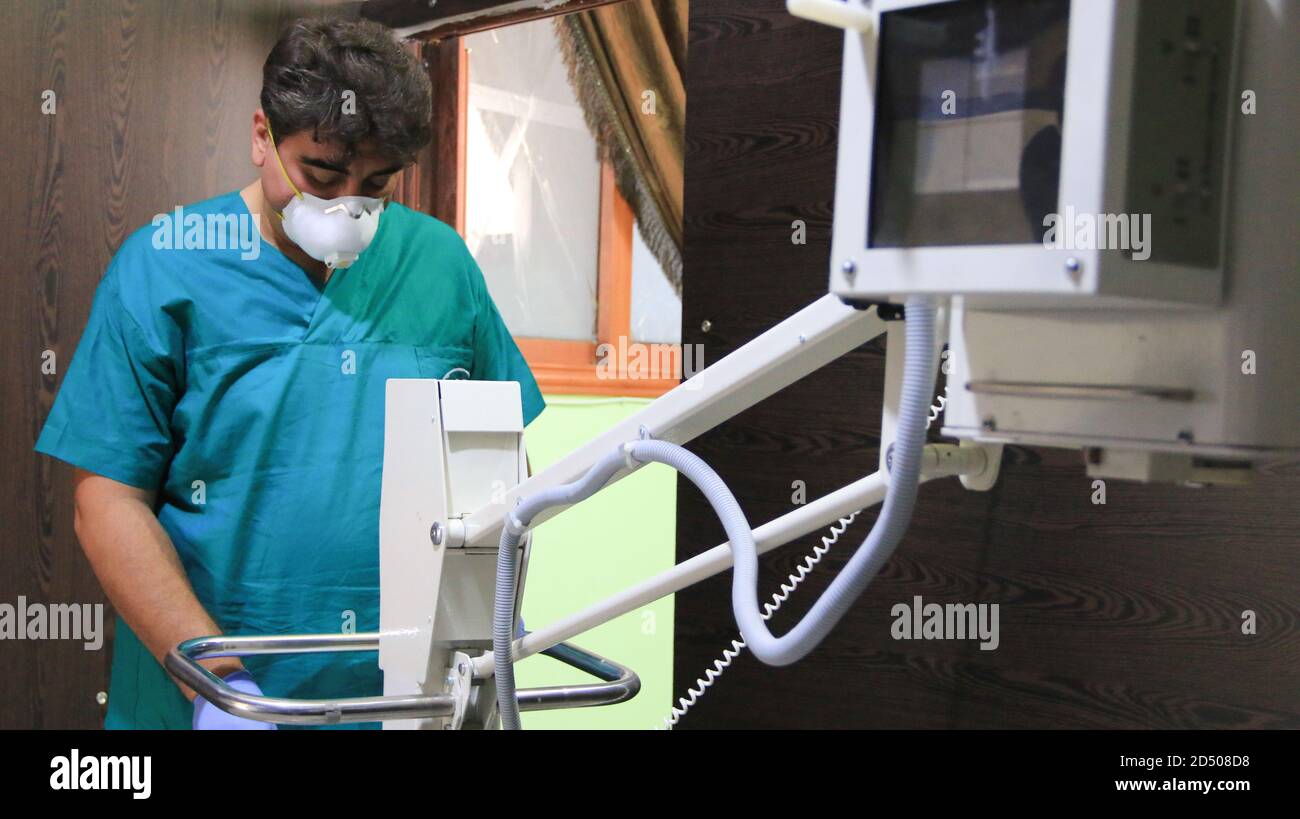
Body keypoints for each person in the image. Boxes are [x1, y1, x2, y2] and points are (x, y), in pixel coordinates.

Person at [34, 17, 545, 729]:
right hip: (211, 699)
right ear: (260, 135)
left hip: (400, 702)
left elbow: (502, 473)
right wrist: (222, 692)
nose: (347, 207)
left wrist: (486, 624)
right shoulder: (163, 266)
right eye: (322, 174)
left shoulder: (440, 264)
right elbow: (107, 501)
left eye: (377, 184)